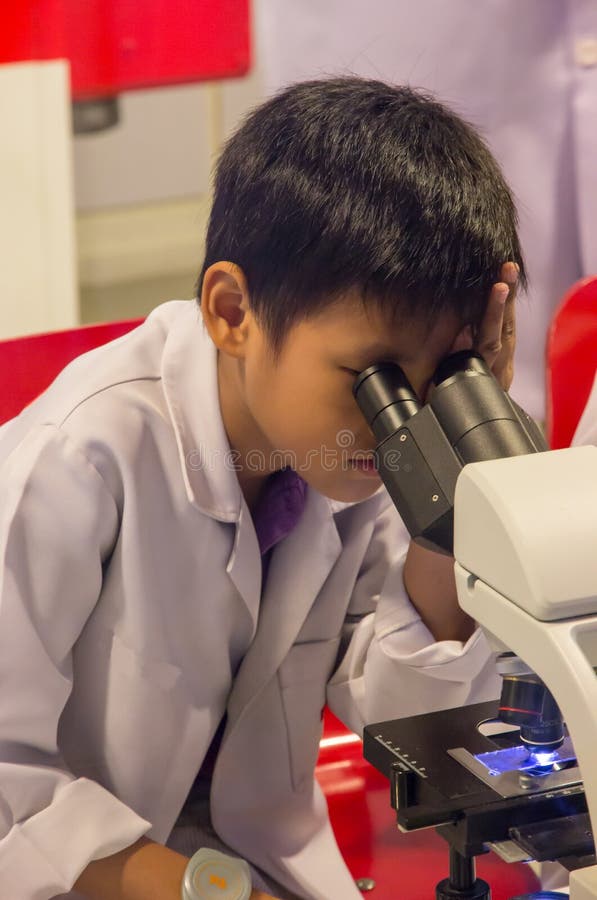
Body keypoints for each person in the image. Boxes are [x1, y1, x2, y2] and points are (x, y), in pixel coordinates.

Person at [0, 78, 522, 900]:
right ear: (232, 309)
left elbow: (404, 716)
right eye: (370, 377)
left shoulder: (348, 456)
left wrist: (447, 512)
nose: (400, 422)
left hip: (260, 872)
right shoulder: (79, 459)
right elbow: (5, 793)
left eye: (438, 383)